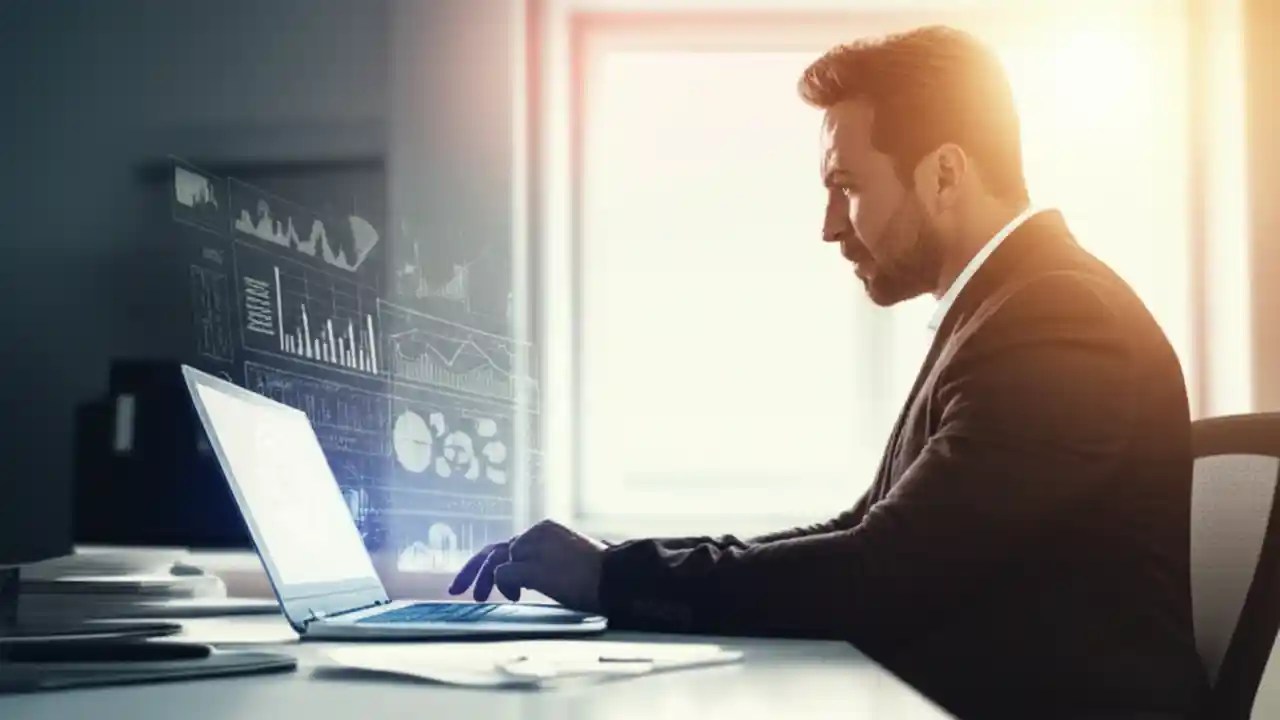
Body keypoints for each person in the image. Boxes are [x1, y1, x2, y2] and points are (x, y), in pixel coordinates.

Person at [450, 25, 1209, 720]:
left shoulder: (1057, 321)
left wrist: (618, 580)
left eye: (847, 185)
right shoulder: (1008, 307)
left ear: (944, 173)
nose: (829, 226)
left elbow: (880, 572)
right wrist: (616, 564)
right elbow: (861, 531)